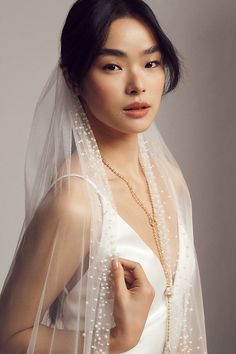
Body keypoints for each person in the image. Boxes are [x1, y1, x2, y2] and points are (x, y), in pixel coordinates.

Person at [0, 0, 207, 353]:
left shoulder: (169, 180)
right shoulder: (76, 202)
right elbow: (8, 336)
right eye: (112, 66)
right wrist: (113, 342)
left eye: (151, 63)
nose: (137, 84)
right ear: (73, 79)